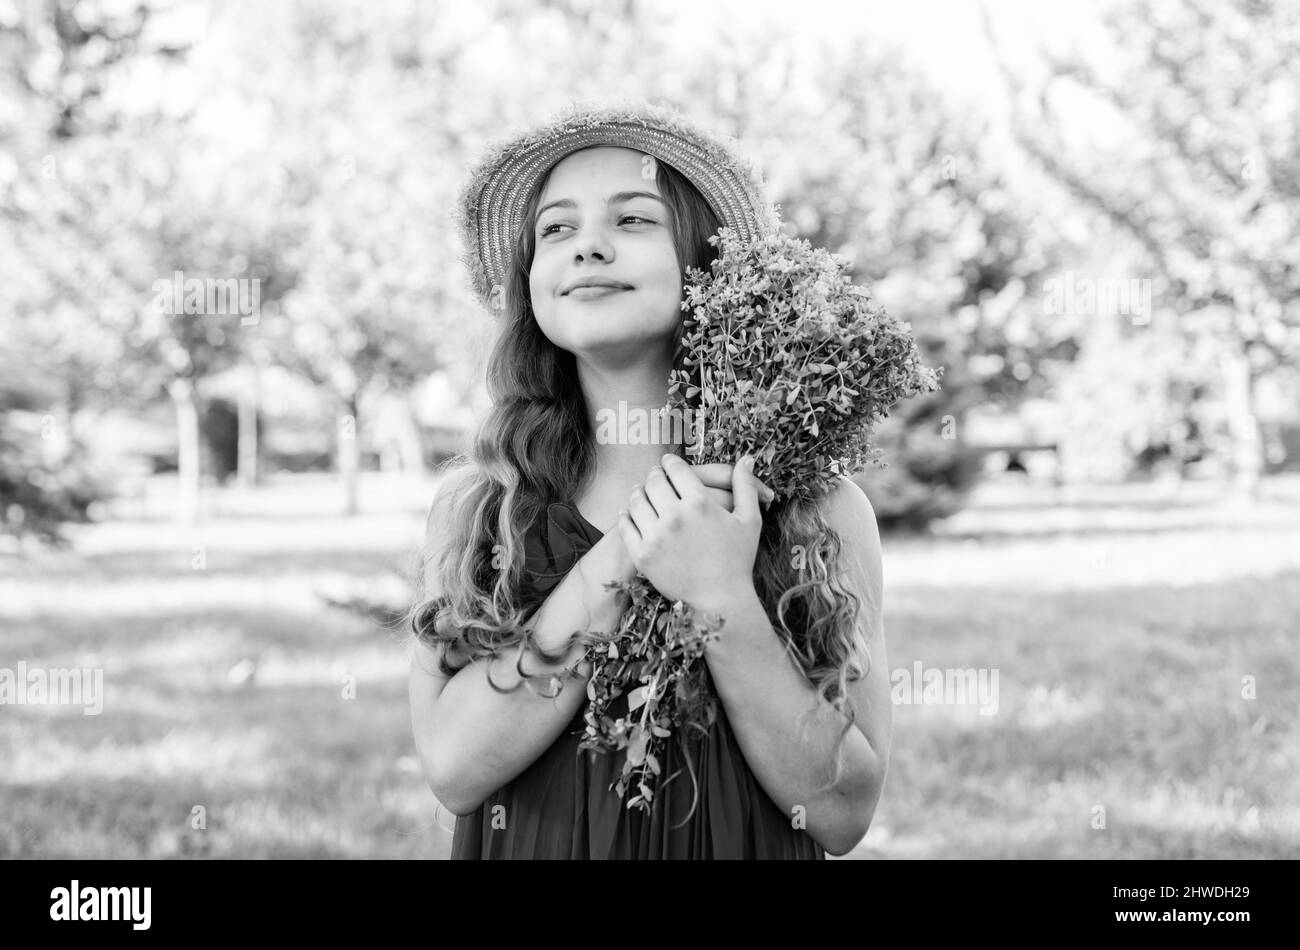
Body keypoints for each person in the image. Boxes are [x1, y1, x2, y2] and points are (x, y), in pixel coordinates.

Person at [407, 99, 891, 859]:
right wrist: (622, 556)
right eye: (555, 229)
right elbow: (456, 768)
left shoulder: (817, 509)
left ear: (705, 268)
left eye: (633, 221)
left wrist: (723, 593)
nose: (587, 247)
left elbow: (840, 811)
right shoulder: (481, 506)